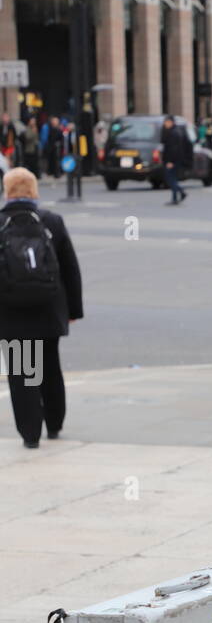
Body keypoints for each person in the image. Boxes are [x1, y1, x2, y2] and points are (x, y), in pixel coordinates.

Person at [0, 167, 83, 448]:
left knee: (23, 373)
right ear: (34, 190)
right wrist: (73, 310)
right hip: (48, 310)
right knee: (49, 368)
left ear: (7, 191)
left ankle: (30, 433)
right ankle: (54, 422)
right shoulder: (52, 221)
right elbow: (70, 269)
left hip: (11, 313)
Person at [160, 116, 187, 205]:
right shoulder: (174, 131)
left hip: (172, 160)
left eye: (166, 122)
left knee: (170, 179)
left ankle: (181, 192)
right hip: (174, 159)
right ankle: (175, 198)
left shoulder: (173, 133)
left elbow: (173, 149)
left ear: (171, 122)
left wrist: (170, 161)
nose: (165, 124)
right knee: (173, 179)